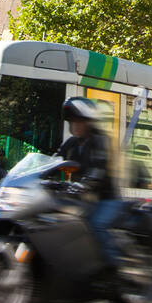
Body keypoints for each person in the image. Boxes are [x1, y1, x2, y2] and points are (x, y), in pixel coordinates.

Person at [56, 98, 120, 271]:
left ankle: (113, 267)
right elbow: (53, 161)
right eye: (72, 121)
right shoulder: (71, 143)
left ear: (88, 122)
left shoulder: (101, 140)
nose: (75, 125)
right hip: (82, 198)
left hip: (106, 199)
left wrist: (86, 184)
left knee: (95, 225)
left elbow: (99, 168)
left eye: (79, 121)